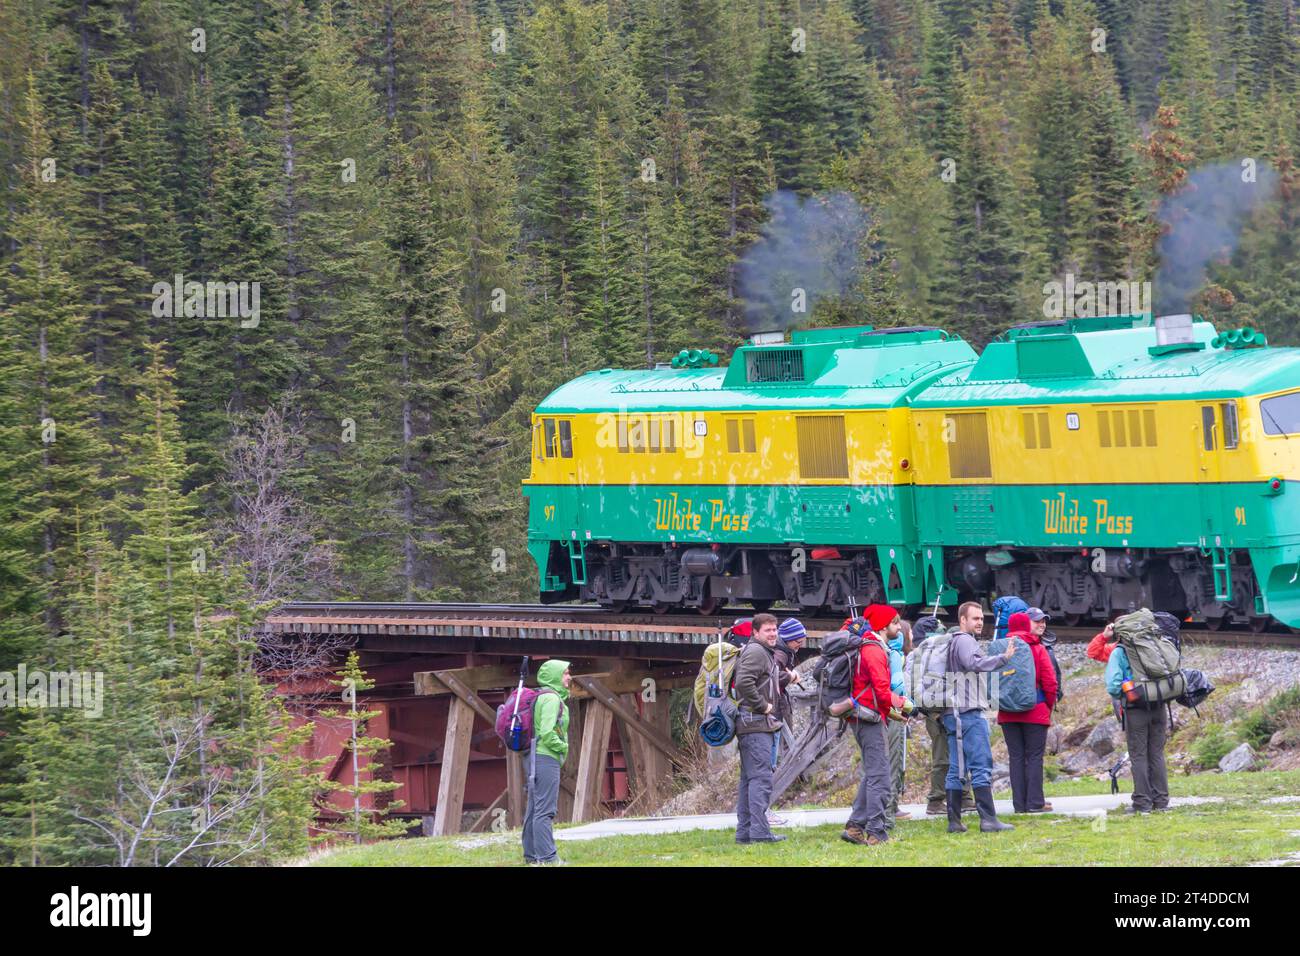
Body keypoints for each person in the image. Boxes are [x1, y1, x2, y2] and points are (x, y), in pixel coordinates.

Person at [943, 602, 1018, 833]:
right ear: (962, 620)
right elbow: (973, 663)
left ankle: (955, 822)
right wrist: (1002, 658)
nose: (979, 622)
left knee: (956, 768)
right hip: (968, 713)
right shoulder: (965, 640)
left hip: (952, 713)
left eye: (981, 619)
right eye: (974, 618)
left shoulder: (953, 641)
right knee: (981, 765)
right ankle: (988, 820)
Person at [839, 604, 898, 847]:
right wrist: (903, 703)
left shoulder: (869, 646)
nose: (898, 627)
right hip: (869, 718)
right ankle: (876, 832)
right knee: (881, 777)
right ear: (883, 626)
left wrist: (893, 714)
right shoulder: (874, 650)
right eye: (895, 623)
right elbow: (882, 692)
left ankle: (855, 827)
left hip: (864, 716)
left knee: (871, 775)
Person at [1105, 615, 1170, 814]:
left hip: (1136, 709)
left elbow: (1113, 685)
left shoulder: (1119, 652)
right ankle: (1161, 801)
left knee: (1139, 755)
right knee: (1156, 754)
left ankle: (1142, 803)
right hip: (1159, 706)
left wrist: (1125, 694)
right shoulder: (1156, 645)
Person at [912, 615, 975, 817]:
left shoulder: (931, 653)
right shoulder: (932, 656)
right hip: (936, 712)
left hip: (946, 709)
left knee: (957, 754)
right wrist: (934, 712)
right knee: (943, 757)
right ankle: (937, 799)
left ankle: (962, 796)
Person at [997, 610, 1058, 814]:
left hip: (1007, 712)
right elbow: (1050, 682)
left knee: (1015, 757)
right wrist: (1048, 706)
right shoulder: (1036, 648)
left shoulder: (1001, 649)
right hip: (1035, 710)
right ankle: (1035, 802)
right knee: (1034, 757)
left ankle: (1019, 804)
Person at [734, 612, 785, 843]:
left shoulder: (760, 650)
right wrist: (763, 705)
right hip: (754, 723)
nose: (773, 633)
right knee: (761, 779)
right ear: (756, 632)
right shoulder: (756, 651)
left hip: (751, 723)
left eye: (775, 629)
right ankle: (760, 833)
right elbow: (744, 682)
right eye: (768, 630)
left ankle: (745, 833)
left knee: (750, 779)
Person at [522, 659, 572, 865]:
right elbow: (547, 732)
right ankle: (549, 858)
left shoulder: (542, 697)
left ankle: (532, 856)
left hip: (534, 756)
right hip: (545, 757)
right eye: (565, 673)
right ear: (554, 676)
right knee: (545, 810)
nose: (569, 677)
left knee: (534, 808)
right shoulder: (552, 699)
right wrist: (564, 747)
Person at [767, 618, 807, 827]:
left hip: (772, 709)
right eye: (798, 642)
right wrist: (791, 676)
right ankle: (764, 811)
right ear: (789, 639)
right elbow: (774, 676)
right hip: (772, 712)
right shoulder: (781, 653)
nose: (800, 646)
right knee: (769, 762)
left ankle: (761, 811)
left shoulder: (783, 650)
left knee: (769, 761)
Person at [885, 619, 913, 825]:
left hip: (886, 711)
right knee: (894, 760)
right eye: (909, 632)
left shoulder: (890, 653)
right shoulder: (895, 656)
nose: (912, 636)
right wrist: (907, 704)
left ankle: (889, 806)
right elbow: (896, 685)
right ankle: (890, 808)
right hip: (894, 712)